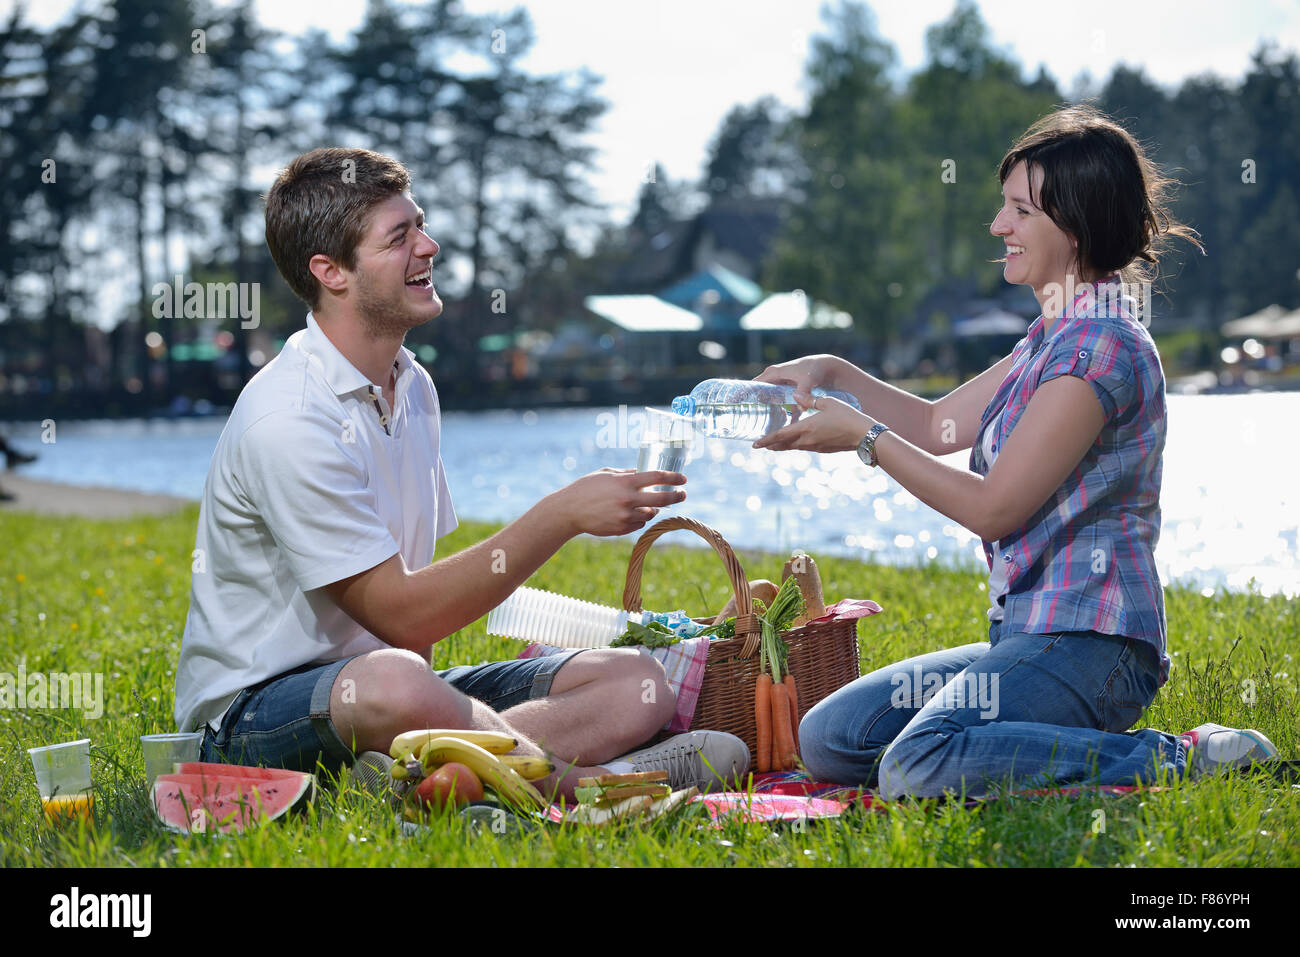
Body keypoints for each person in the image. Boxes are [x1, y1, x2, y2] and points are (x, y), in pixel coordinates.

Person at [174, 147, 748, 801]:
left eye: (419, 224)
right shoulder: (287, 417)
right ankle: (586, 786)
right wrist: (559, 515)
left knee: (634, 680)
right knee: (395, 680)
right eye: (400, 237)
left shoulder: (412, 385)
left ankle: (416, 775)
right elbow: (402, 617)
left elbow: (418, 619)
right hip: (255, 715)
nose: (430, 245)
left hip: (390, 688)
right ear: (330, 271)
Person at [752, 106, 1277, 798]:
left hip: (1097, 645)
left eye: (1020, 211)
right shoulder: (1050, 336)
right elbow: (940, 425)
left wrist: (863, 439)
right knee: (830, 738)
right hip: (1028, 637)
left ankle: (1181, 757)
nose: (1000, 227)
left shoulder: (1101, 347)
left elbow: (995, 508)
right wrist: (833, 372)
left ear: (1076, 224)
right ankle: (1033, 750)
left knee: (916, 763)